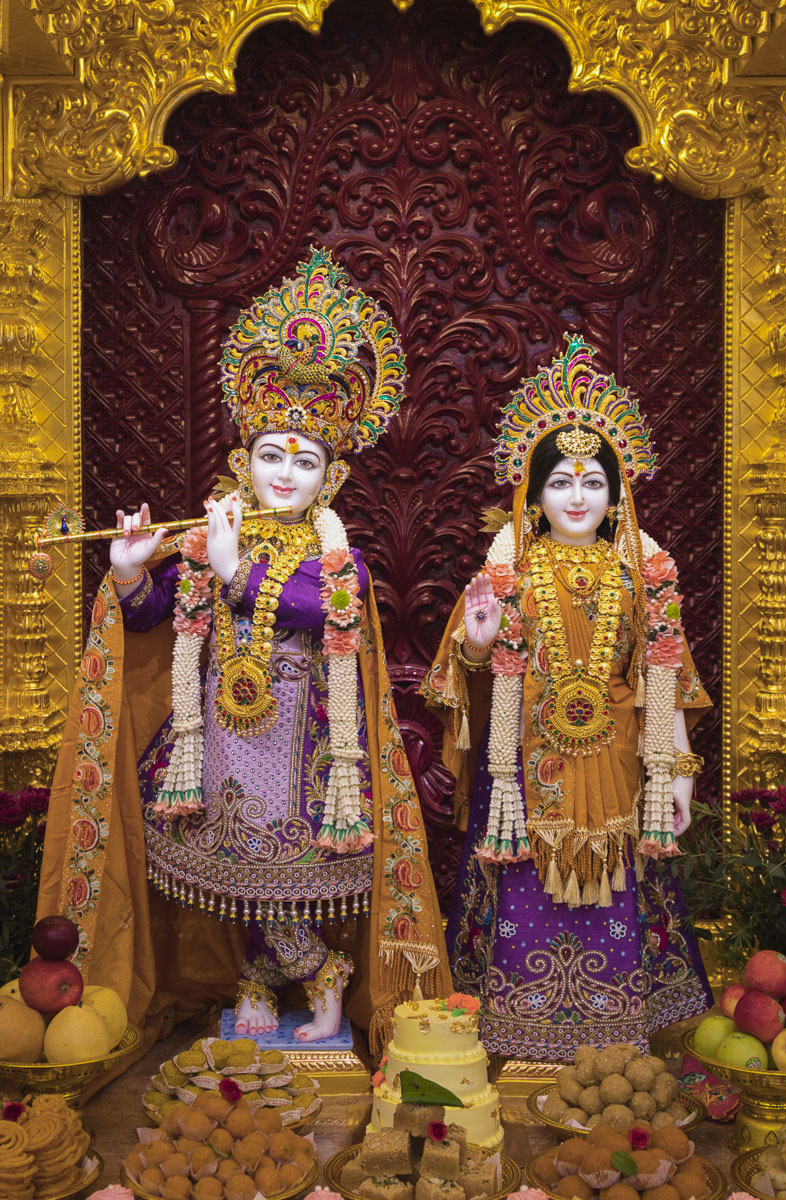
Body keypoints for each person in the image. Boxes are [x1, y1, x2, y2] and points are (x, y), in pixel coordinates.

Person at [36, 249, 450, 1053]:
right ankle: (262, 976)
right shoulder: (208, 541)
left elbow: (319, 610)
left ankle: (320, 972)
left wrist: (235, 569)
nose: (285, 473)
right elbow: (160, 615)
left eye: (305, 460)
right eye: (270, 455)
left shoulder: (337, 556)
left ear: (329, 479)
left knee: (286, 870)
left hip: (306, 751)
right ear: (242, 463)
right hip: (218, 744)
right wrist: (126, 576)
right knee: (237, 871)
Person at [422, 335, 712, 1061]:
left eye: (592, 482)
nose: (577, 497)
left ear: (618, 494)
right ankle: (518, 1036)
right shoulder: (508, 570)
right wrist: (481, 638)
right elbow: (463, 674)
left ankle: (617, 1044)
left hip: (621, 765)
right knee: (523, 897)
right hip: (521, 771)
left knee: (622, 897)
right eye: (560, 482)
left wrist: (675, 772)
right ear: (532, 492)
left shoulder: (645, 574)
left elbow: (663, 677)